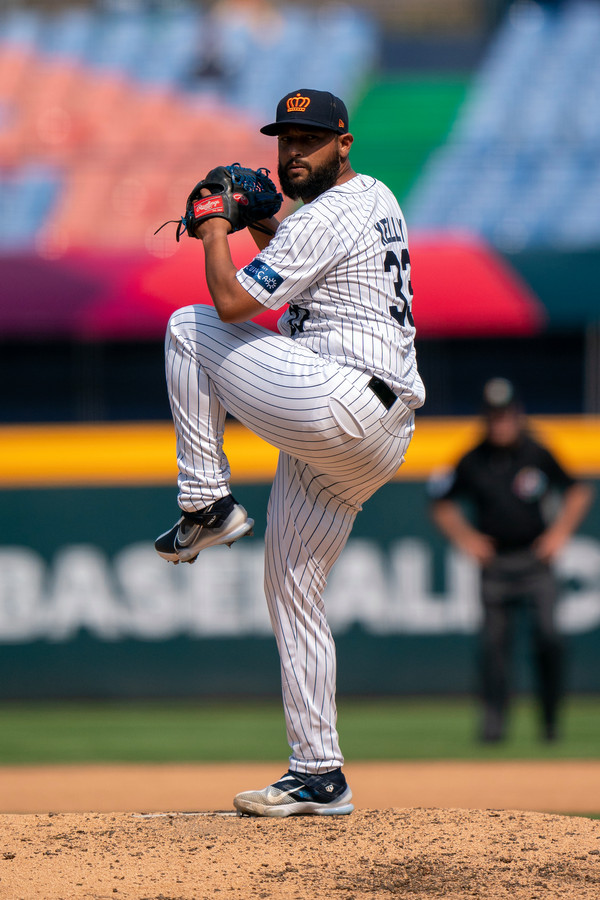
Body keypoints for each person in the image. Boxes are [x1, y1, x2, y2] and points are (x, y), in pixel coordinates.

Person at [154, 88, 425, 816]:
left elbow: (236, 304)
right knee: (292, 587)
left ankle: (205, 501)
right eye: (286, 138)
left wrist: (216, 226)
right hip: (373, 429)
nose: (293, 151)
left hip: (342, 400)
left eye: (311, 139)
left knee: (188, 327)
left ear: (345, 144)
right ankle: (319, 773)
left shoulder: (331, 211)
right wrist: (266, 219)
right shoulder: (369, 201)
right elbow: (303, 266)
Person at [429, 377, 593, 743]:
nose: (500, 422)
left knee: (549, 638)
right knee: (493, 647)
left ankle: (550, 722)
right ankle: (494, 725)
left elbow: (578, 490)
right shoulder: (472, 458)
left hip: (535, 559)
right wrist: (467, 538)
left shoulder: (536, 452)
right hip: (496, 565)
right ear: (485, 418)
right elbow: (440, 503)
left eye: (505, 414)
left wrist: (559, 533)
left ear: (516, 414)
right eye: (493, 415)